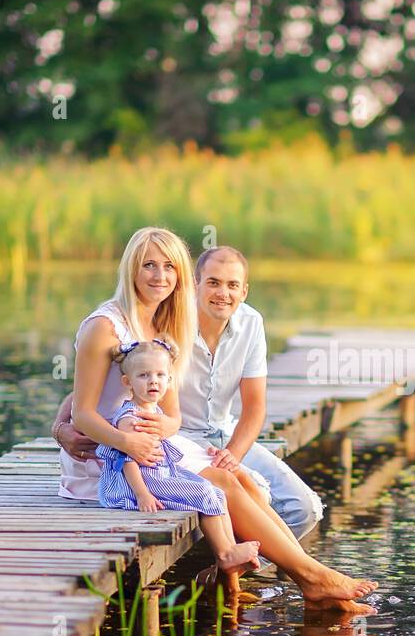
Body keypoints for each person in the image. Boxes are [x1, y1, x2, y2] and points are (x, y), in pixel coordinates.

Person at [55, 226, 375, 611]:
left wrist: (164, 428)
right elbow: (82, 408)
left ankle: (306, 579)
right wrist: (117, 440)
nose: (160, 276)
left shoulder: (160, 326)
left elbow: (171, 416)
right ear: (131, 269)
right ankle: (311, 578)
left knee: (244, 481)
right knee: (223, 481)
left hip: (158, 446)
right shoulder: (104, 327)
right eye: (149, 266)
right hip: (114, 462)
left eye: (169, 266)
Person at [181, 245, 325, 540]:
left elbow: (254, 408)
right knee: (253, 495)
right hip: (181, 441)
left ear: (244, 291)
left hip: (225, 434)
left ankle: (231, 571)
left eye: (232, 285)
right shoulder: (171, 319)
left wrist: (232, 455)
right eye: (213, 282)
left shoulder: (251, 323)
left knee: (305, 508)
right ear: (196, 285)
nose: (223, 293)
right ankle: (229, 563)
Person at [94, 338, 261, 578]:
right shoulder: (130, 418)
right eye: (143, 376)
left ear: (169, 380)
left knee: (214, 490)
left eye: (160, 375)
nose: (153, 381)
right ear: (127, 382)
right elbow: (127, 460)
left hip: (160, 471)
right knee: (202, 493)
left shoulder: (154, 410)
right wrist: (143, 495)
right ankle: (224, 554)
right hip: (142, 481)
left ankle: (229, 549)